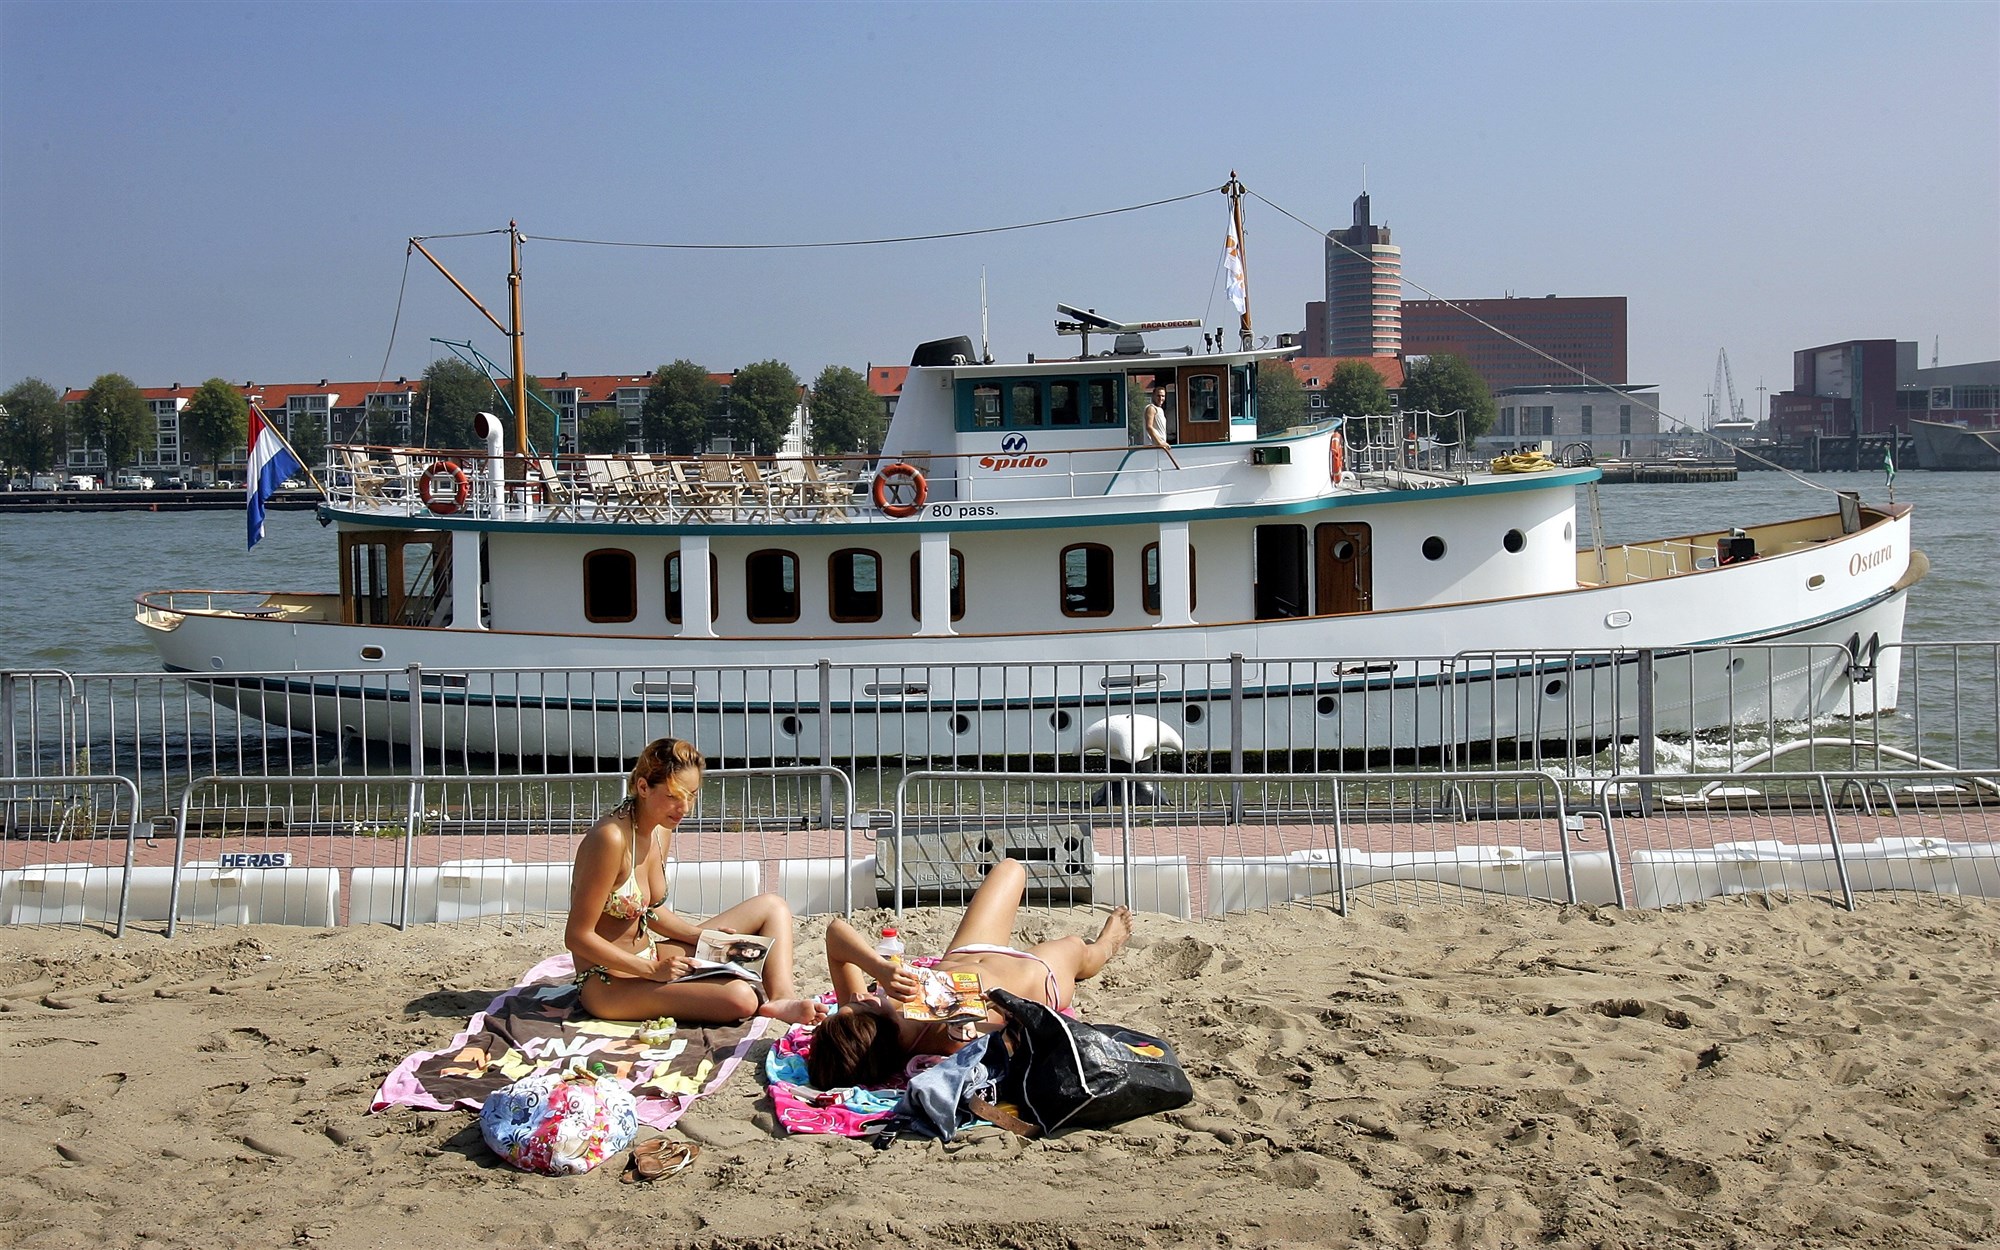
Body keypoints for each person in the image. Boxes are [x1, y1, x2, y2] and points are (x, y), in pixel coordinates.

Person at [563, 737, 824, 1026]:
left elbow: (648, 910)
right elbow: (577, 936)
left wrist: (698, 937)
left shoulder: (661, 828)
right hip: (607, 981)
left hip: (652, 955)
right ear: (643, 787)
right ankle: (750, 996)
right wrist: (651, 970)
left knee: (773, 906)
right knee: (742, 998)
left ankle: (781, 999)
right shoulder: (610, 839)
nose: (685, 807)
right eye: (675, 795)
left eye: (692, 795)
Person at [805, 859, 1133, 1088]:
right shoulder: (942, 1046)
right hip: (1034, 976)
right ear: (878, 1030)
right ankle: (1107, 943)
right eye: (861, 1004)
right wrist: (969, 1035)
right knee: (1077, 948)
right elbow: (1014, 1034)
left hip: (967, 953)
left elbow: (835, 935)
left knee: (1010, 870)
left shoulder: (869, 1017)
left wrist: (877, 968)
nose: (859, 995)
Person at [1143, 383, 1182, 468]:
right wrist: (1160, 443)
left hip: (1159, 447)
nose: (1161, 398)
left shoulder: (1160, 409)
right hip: (1154, 447)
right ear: (1153, 395)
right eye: (1158, 396)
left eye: (1163, 396)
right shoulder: (1151, 408)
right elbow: (1149, 427)